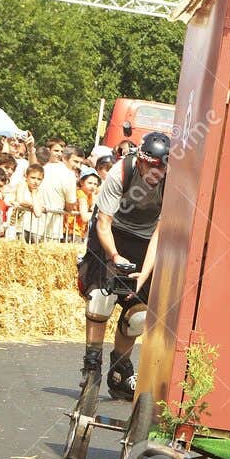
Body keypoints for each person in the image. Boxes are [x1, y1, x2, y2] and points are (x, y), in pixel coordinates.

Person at [80, 131, 168, 401]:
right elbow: (103, 222)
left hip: (145, 241)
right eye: (149, 166)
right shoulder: (120, 172)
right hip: (112, 232)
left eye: (160, 167)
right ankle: (92, 363)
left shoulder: (171, 184)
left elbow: (159, 236)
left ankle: (120, 368)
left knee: (139, 315)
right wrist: (115, 256)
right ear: (139, 161)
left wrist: (144, 275)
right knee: (100, 297)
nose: (154, 173)